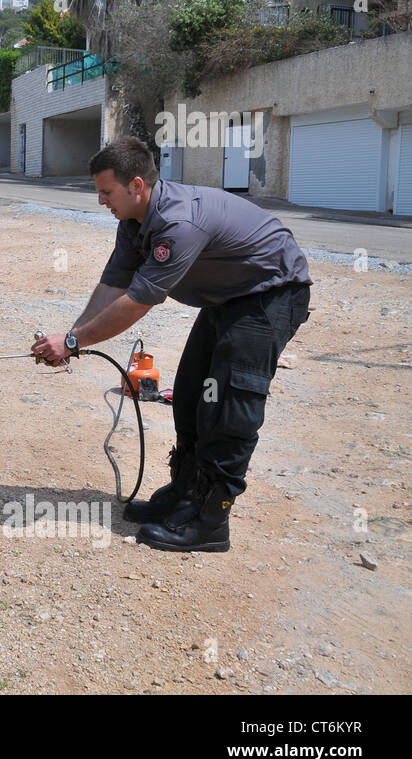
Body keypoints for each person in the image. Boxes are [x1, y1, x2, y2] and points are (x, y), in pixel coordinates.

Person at [31, 136, 312, 552]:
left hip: (270, 296)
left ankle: (210, 521)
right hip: (228, 299)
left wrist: (73, 342)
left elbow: (138, 301)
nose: (101, 201)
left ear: (137, 185)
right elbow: (114, 284)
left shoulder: (179, 224)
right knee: (190, 396)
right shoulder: (133, 223)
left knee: (228, 408)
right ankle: (185, 494)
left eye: (107, 192)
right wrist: (70, 337)